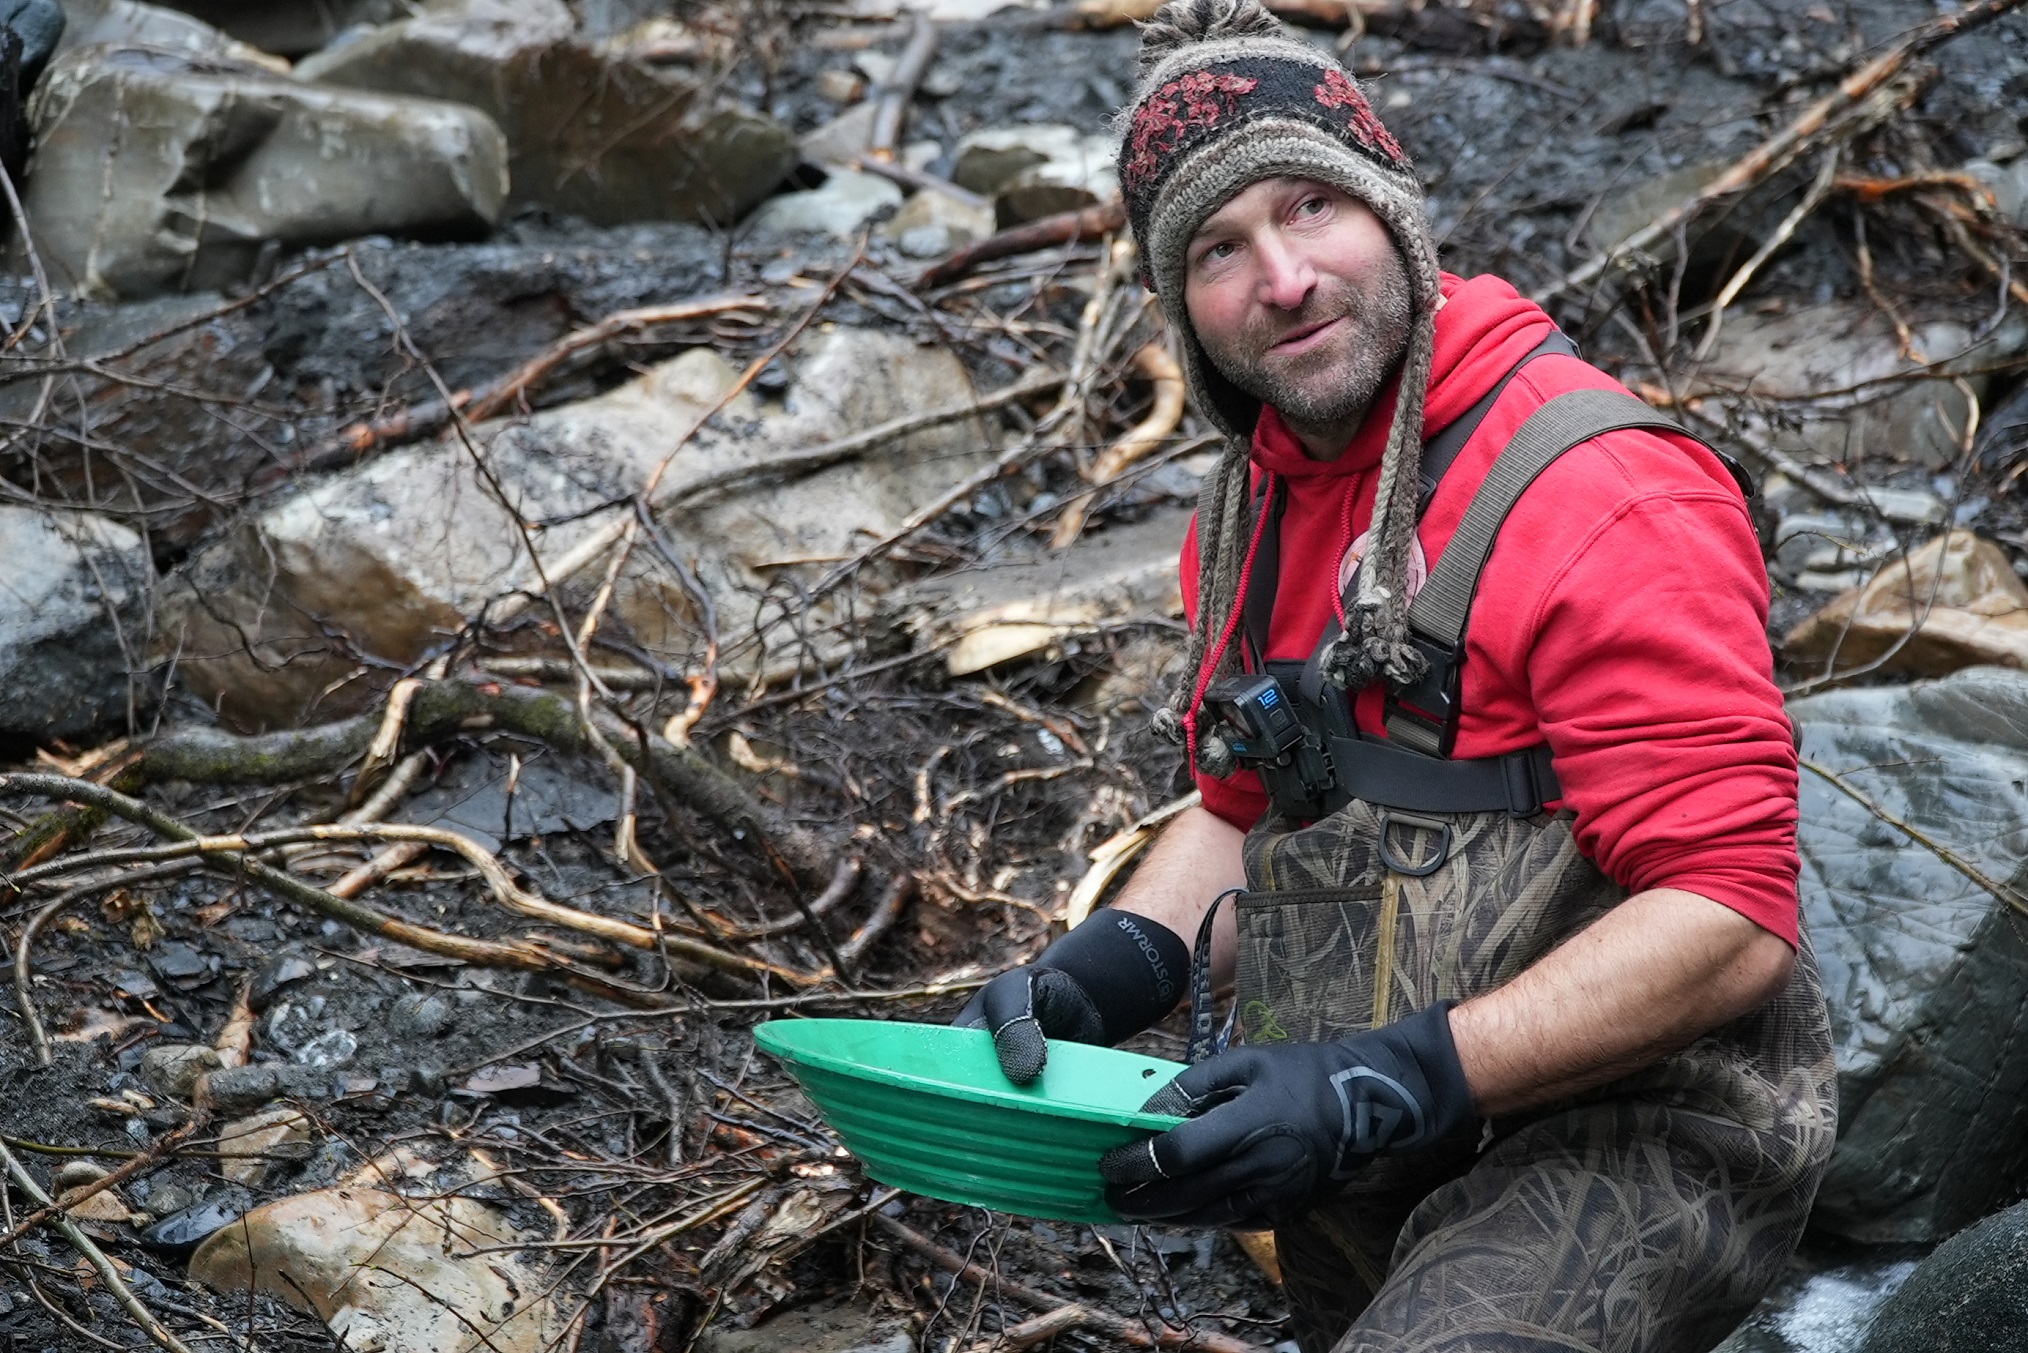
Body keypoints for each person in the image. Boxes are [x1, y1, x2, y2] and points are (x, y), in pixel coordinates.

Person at [955, 3, 1837, 1350]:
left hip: (1638, 1129)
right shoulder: (1244, 520)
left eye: (1312, 207)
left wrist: (1380, 1082)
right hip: (1368, 1136)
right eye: (1219, 248)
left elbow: (1729, 918)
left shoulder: (1602, 491)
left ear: (1396, 214)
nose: (1285, 277)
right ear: (1181, 311)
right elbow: (1247, 813)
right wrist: (1106, 973)